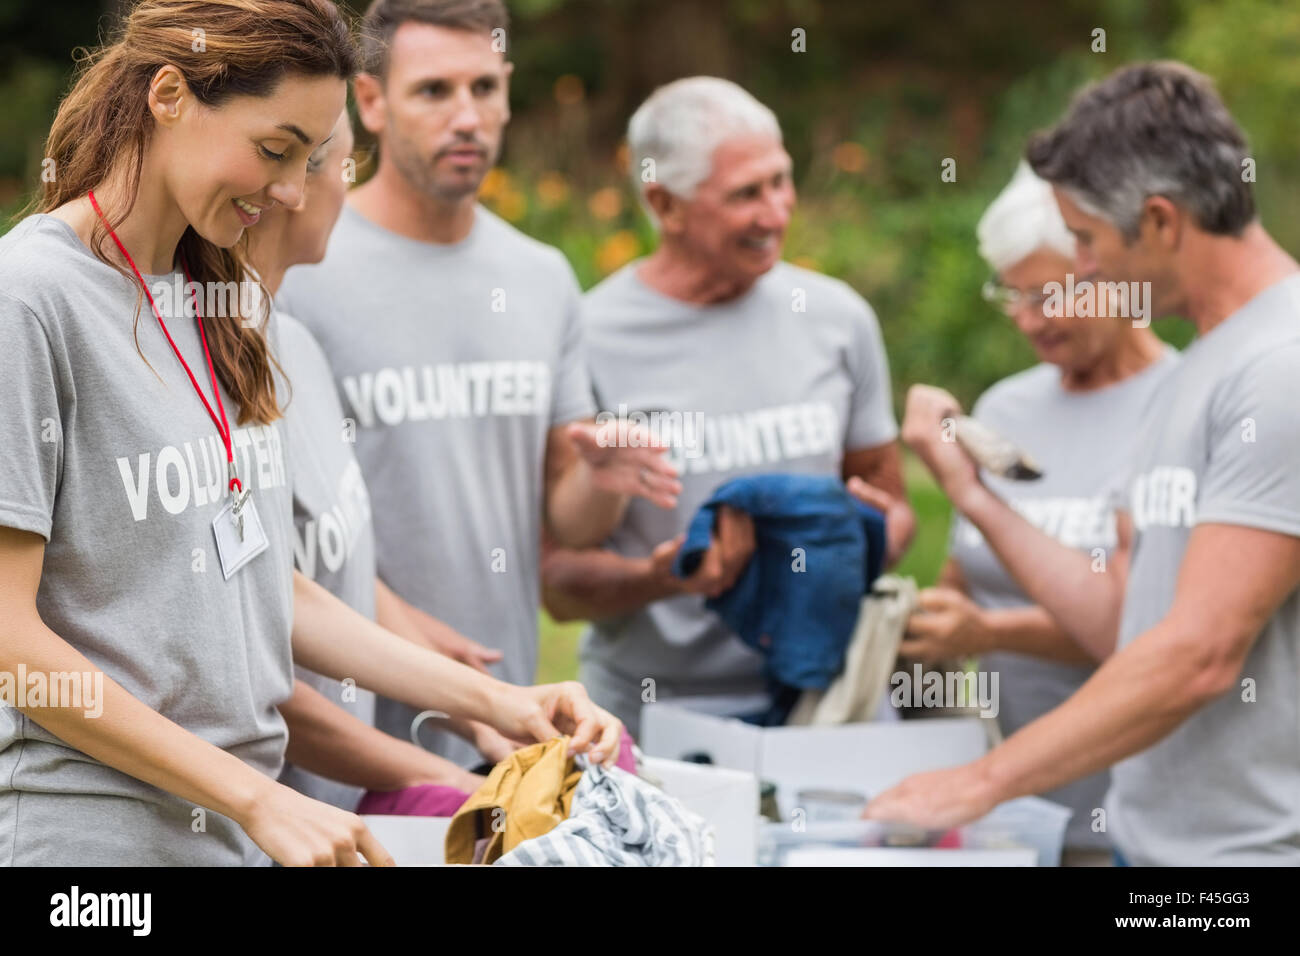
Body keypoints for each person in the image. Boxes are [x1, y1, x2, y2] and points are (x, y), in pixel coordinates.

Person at [0, 0, 619, 867]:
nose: (292, 190)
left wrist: (500, 700)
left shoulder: (208, 298)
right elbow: (11, 643)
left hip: (227, 836)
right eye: (275, 149)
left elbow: (267, 584)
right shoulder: (29, 299)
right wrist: (260, 795)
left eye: (309, 158)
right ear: (170, 95)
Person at [866, 62, 1300, 867]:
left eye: (1088, 242)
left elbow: (1201, 656)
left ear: (1162, 221)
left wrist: (981, 781)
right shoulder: (1201, 363)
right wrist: (974, 495)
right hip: (1158, 850)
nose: (1086, 272)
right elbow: (1121, 625)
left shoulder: (1281, 368)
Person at [276, 0, 679, 768]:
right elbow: (281, 543)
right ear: (370, 102)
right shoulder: (304, 264)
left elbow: (573, 525)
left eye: (484, 89)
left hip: (505, 723)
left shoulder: (542, 277)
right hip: (336, 735)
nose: (467, 116)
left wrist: (602, 479)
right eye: (434, 91)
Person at [541, 77, 916, 736]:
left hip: (825, 706)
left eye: (781, 180)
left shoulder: (835, 319)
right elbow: (558, 581)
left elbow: (893, 506)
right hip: (652, 719)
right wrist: (663, 578)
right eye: (747, 194)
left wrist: (865, 535)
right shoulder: (589, 334)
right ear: (665, 203)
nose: (777, 212)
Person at [903, 161, 1177, 865]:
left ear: (1107, 270)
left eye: (1047, 295)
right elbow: (967, 573)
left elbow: (1144, 626)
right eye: (1011, 295)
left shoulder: (1178, 405)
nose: (1027, 319)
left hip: (1126, 817)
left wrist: (992, 631)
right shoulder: (1003, 409)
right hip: (1008, 816)